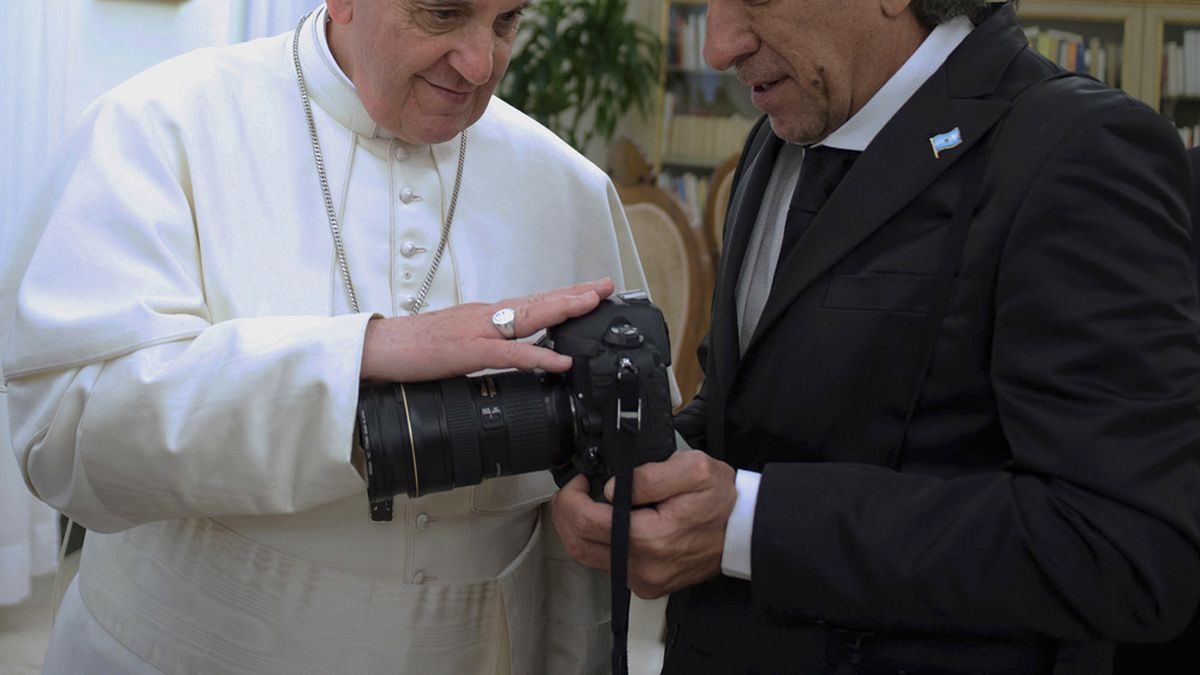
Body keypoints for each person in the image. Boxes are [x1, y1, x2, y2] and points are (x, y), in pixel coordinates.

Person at [553, 1, 1200, 673]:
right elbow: (742, 410)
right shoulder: (783, 133)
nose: (718, 47)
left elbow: (1126, 546)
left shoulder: (1078, 149)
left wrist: (749, 524)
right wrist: (643, 468)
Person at [4, 1, 649, 673]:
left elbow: (610, 473)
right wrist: (358, 359)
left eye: (507, 19)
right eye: (441, 13)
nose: (480, 62)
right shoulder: (159, 125)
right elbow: (62, 430)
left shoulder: (570, 188)